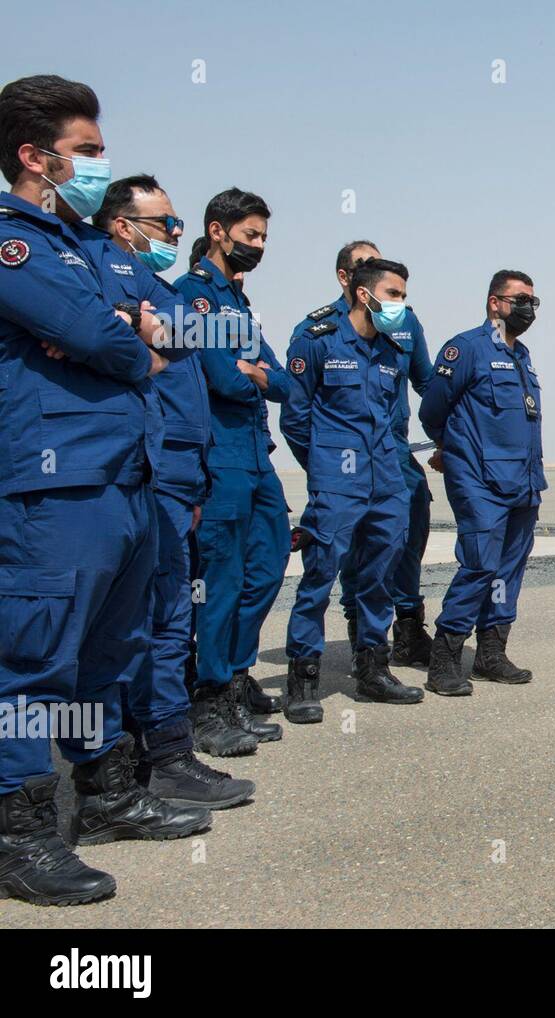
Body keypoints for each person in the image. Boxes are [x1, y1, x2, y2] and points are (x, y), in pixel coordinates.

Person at [0, 75, 209, 906]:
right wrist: (122, 339)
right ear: (33, 154)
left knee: (106, 654)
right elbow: (101, 332)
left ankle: (109, 796)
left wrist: (123, 335)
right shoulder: (12, 242)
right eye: (87, 152)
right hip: (57, 486)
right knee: (32, 660)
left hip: (128, 479)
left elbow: (156, 327)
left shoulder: (81, 245)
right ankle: (19, 836)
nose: (99, 164)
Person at [91, 174, 256, 806]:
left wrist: (158, 327)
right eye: (165, 225)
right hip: (147, 472)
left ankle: (162, 751)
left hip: (184, 476)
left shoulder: (158, 290)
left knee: (169, 617)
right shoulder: (104, 278)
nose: (175, 236)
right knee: (148, 621)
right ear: (123, 226)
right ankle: (147, 758)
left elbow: (202, 340)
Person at [281, 258, 425, 718]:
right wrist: (325, 470)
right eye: (395, 293)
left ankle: (373, 670)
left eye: (404, 294)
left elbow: (393, 418)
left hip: (387, 482)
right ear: (365, 294)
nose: (401, 303)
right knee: (320, 577)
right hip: (337, 483)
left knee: (379, 579)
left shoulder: (391, 351)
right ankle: (303, 679)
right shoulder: (317, 339)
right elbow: (295, 416)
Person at [175, 188, 286, 752]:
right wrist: (256, 377)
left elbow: (287, 382)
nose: (259, 246)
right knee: (217, 583)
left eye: (264, 237)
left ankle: (237, 677)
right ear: (217, 231)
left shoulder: (238, 304)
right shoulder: (192, 297)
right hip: (219, 458)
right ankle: (209, 699)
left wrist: (262, 375)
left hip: (256, 458)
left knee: (265, 571)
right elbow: (226, 378)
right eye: (251, 235)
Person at [418, 269, 546, 696]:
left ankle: (491, 653)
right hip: (480, 481)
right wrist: (449, 448)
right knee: (479, 564)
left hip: (524, 482)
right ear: (495, 303)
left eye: (533, 300)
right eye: (519, 299)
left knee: (508, 569)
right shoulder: (466, 348)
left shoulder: (522, 354)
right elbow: (433, 410)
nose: (528, 307)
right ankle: (446, 658)